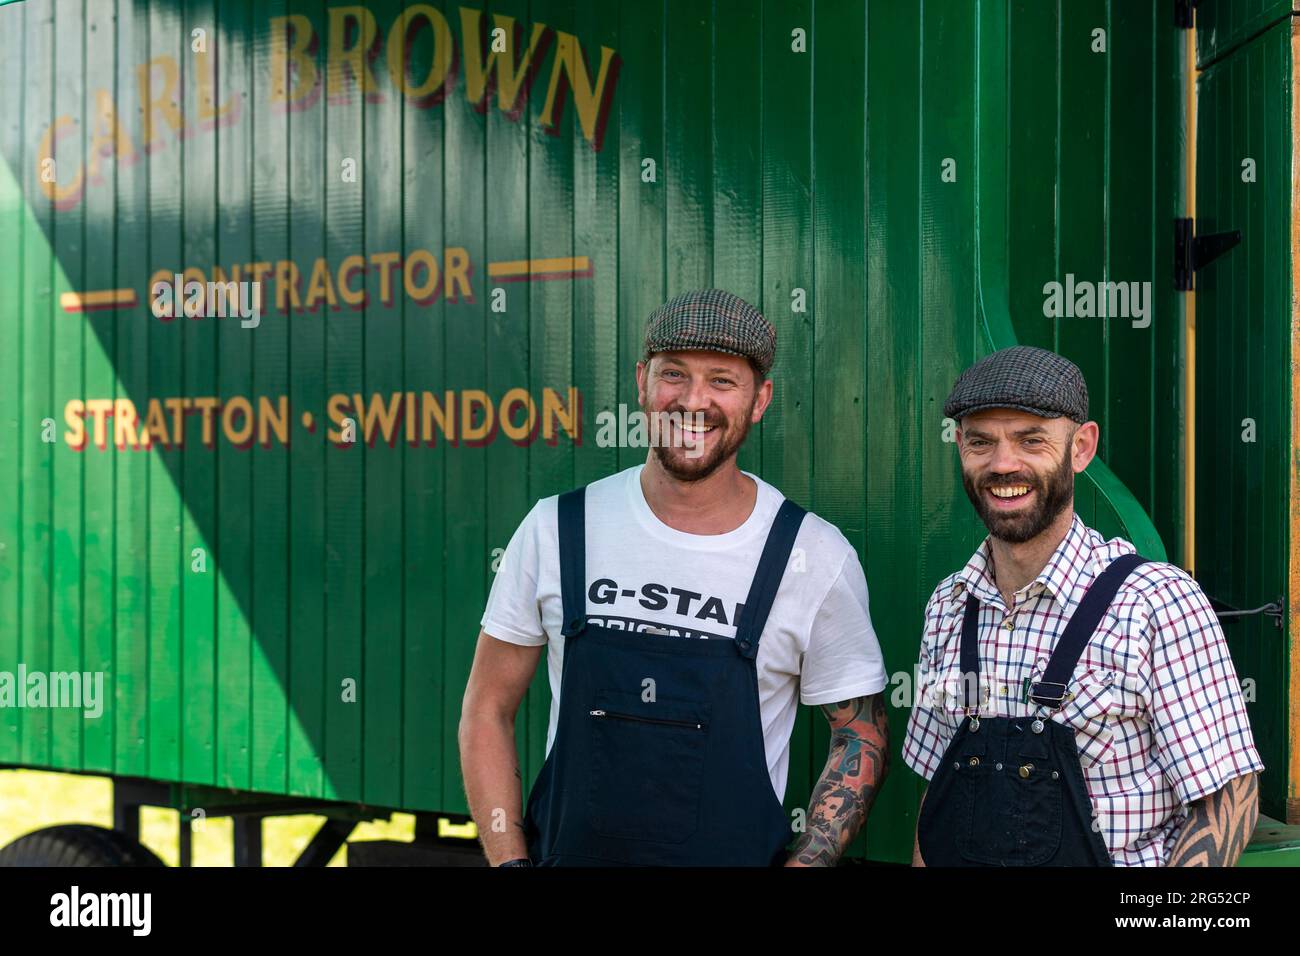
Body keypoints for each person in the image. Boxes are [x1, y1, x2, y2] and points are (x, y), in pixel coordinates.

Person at [459, 289, 889, 866]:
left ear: (760, 399)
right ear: (642, 382)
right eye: (673, 375)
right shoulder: (556, 529)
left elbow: (860, 734)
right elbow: (487, 708)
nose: (693, 400)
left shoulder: (811, 554)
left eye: (722, 380)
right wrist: (510, 861)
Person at [904, 345, 1263, 866]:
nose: (1003, 465)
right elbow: (936, 795)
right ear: (960, 445)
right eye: (981, 442)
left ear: (1081, 447)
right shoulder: (948, 606)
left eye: (1031, 441)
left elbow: (1227, 801)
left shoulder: (1155, 603)